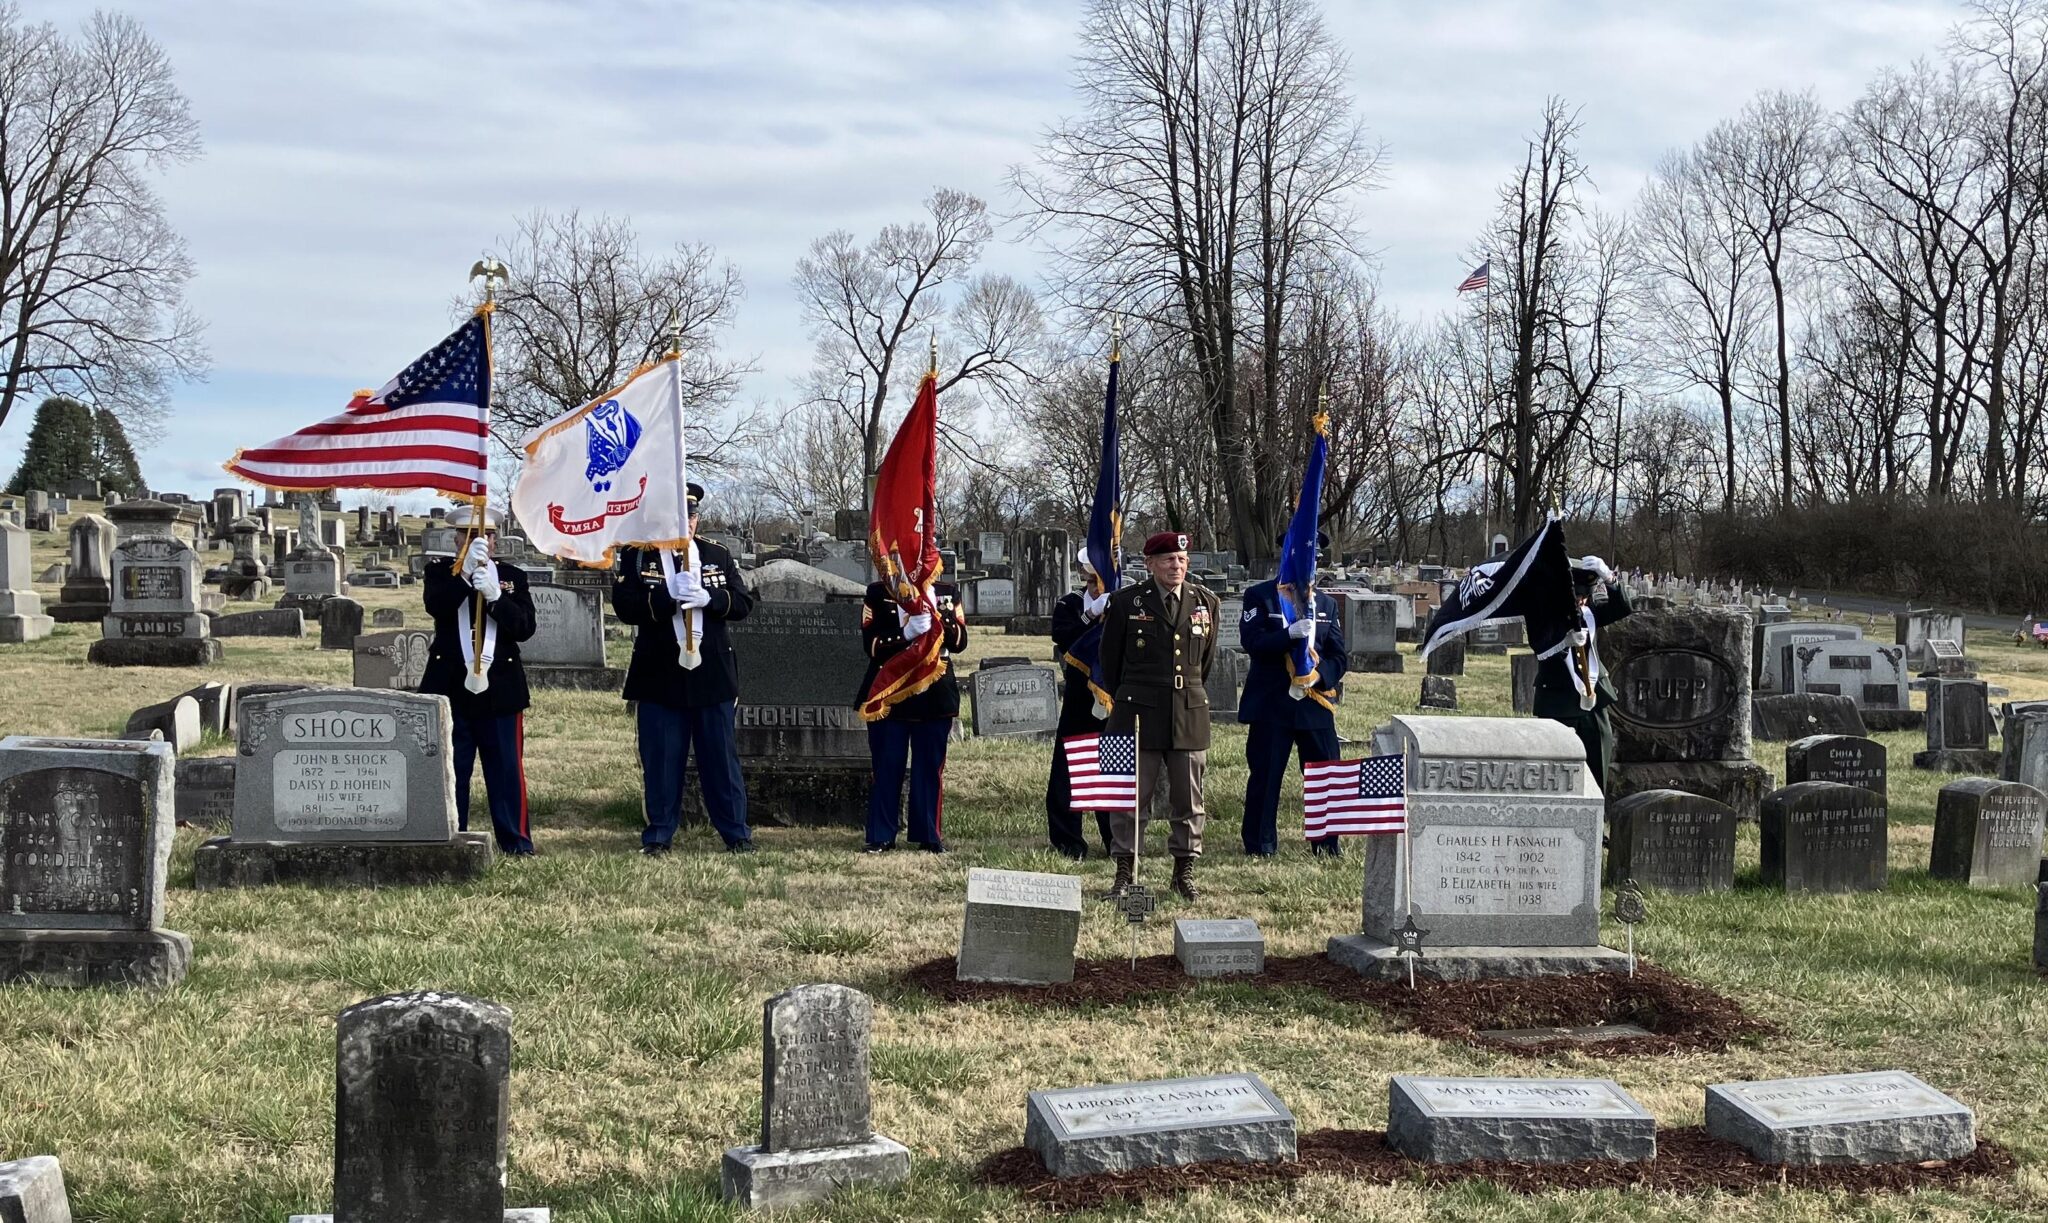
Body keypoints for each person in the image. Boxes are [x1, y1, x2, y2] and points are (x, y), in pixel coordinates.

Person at [611, 483, 756, 855]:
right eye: (680, 516)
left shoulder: (716, 554)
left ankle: (736, 833)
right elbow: (625, 605)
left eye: (691, 516)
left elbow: (742, 603)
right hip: (661, 675)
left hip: (711, 676)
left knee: (721, 761)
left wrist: (712, 598)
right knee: (661, 759)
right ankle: (659, 834)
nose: (687, 523)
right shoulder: (639, 555)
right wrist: (665, 594)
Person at [1099, 531, 1220, 900]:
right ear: (1150, 564)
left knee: (1188, 799)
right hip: (1138, 712)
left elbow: (1206, 661)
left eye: (1182, 560)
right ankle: (1125, 873)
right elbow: (1110, 661)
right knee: (1131, 797)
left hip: (1188, 712)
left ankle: (1183, 873)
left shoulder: (1205, 602)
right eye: (1168, 560)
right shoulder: (1126, 603)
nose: (1177, 566)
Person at [419, 504, 538, 855]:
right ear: (456, 539)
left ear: (496, 540)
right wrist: (464, 575)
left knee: (506, 774)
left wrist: (498, 598)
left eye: (486, 535)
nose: (479, 541)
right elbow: (436, 606)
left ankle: (516, 844)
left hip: (500, 689)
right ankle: (450, 841)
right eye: (470, 535)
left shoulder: (513, 577)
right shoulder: (440, 572)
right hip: (451, 686)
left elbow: (525, 628)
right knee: (451, 772)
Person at [1238, 530, 1347, 859]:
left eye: (1313, 558)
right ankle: (1260, 844)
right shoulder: (1262, 597)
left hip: (1315, 704)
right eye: (1302, 555)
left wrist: (1319, 675)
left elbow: (1339, 656)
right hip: (1273, 701)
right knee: (1267, 776)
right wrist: (1288, 635)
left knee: (1326, 776)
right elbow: (1252, 642)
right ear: (1288, 556)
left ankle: (1326, 845)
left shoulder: (1325, 603)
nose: (1308, 563)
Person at [857, 576, 969, 853]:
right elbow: (871, 645)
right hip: (890, 692)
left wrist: (937, 619)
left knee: (929, 768)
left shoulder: (945, 591)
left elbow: (959, 641)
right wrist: (905, 634)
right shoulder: (878, 592)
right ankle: (881, 834)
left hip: (934, 693)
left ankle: (928, 834)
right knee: (887, 766)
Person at [1532, 555, 1633, 789]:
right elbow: (1540, 647)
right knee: (1557, 774)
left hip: (1594, 702)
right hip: (1559, 703)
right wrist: (1562, 643)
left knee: (1597, 766)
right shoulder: (1544, 617)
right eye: (1575, 597)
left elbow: (1623, 607)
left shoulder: (1590, 614)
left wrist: (1609, 578)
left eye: (1584, 597)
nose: (1580, 602)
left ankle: (1594, 820)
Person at [1046, 568, 1116, 859]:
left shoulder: (1122, 603)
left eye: (1101, 581)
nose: (1096, 587)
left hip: (1113, 696)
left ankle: (1116, 839)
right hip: (1078, 697)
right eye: (1091, 581)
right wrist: (1090, 617)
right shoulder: (1070, 604)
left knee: (1112, 772)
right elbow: (1063, 637)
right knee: (1068, 770)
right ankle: (1069, 841)